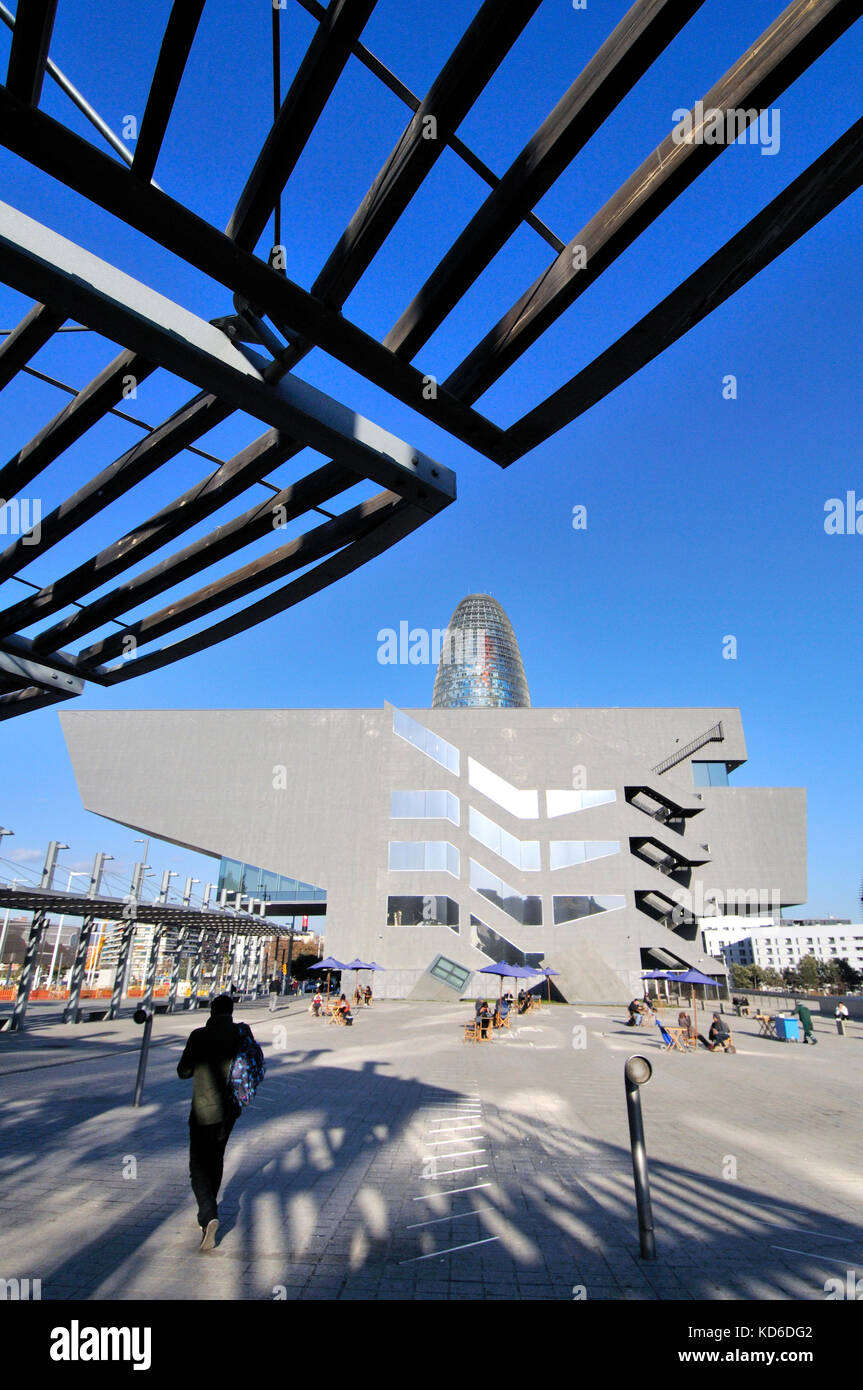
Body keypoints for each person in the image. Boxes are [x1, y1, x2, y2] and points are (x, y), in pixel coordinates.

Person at [177, 994, 253, 1250]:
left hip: (202, 1110)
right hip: (229, 1111)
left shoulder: (199, 1035)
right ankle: (210, 1209)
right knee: (216, 1158)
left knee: (197, 1165)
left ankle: (208, 1214)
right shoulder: (240, 1035)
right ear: (232, 1012)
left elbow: (183, 1071)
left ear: (211, 1011)